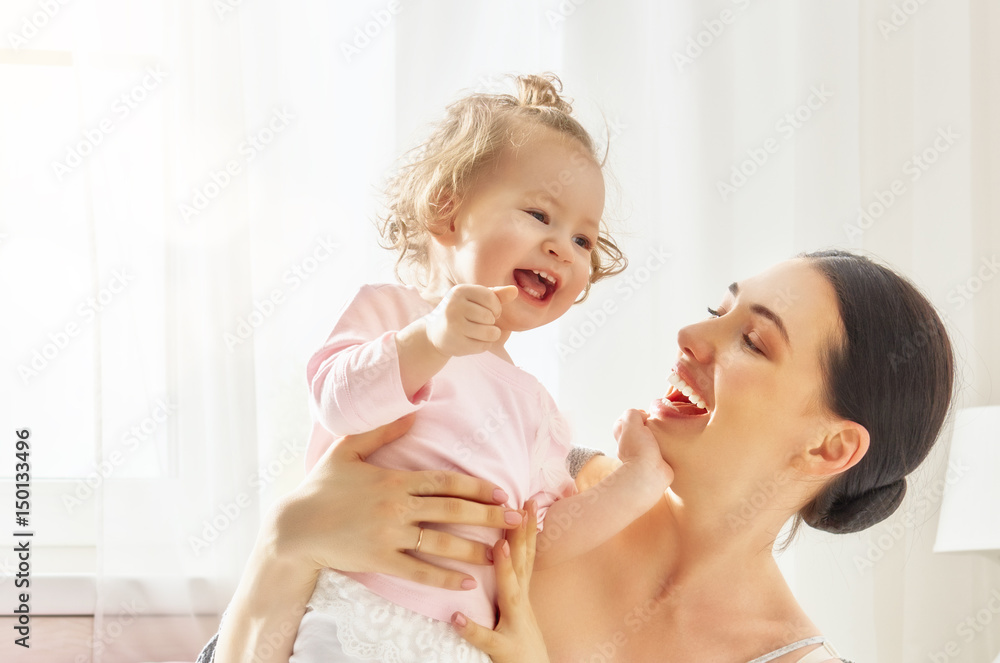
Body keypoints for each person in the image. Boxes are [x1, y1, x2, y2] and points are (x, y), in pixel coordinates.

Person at [201, 257, 953, 661]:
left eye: (754, 340)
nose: (692, 334)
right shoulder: (526, 486)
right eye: (718, 309)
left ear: (831, 446)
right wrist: (283, 546)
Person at [288, 73, 674, 662]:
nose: (561, 249)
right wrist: (432, 339)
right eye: (540, 215)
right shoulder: (393, 311)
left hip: (461, 640)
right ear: (447, 212)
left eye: (582, 240)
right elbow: (338, 402)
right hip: (360, 610)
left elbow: (538, 541)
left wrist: (639, 483)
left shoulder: (535, 405)